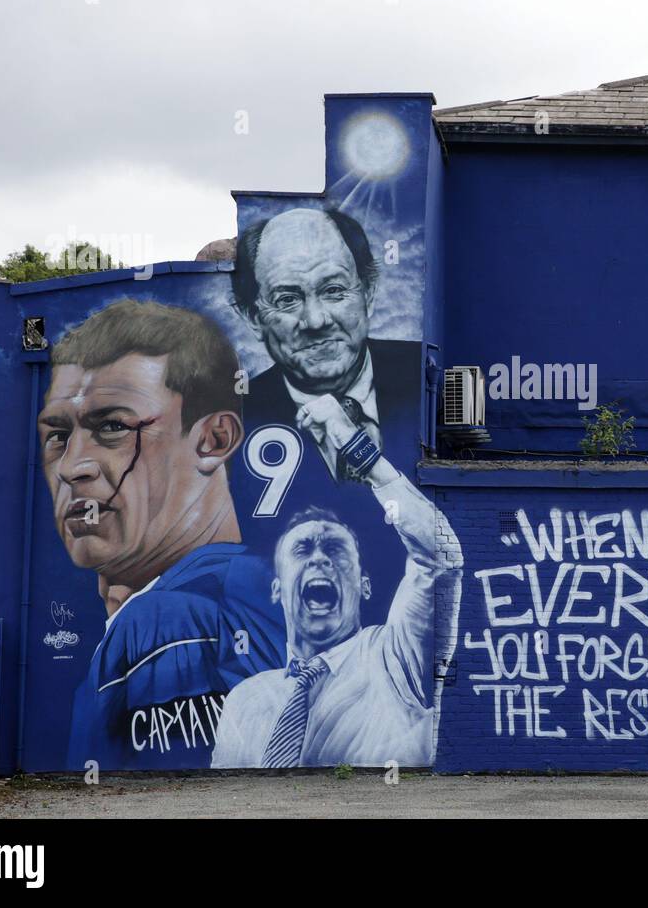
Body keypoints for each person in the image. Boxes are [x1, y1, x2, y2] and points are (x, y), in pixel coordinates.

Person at [38, 299, 285, 770]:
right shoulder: (254, 592)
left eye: (113, 426)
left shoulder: (165, 621)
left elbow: (175, 794)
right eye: (57, 435)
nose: (72, 467)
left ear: (213, 439)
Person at [211, 395, 462, 768]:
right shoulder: (245, 700)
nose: (319, 558)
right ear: (278, 590)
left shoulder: (395, 654)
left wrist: (350, 439)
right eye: (302, 549)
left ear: (364, 586)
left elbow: (442, 556)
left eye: (334, 548)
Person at [231, 206, 421, 482]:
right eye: (287, 299)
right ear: (253, 317)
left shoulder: (426, 379)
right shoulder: (236, 418)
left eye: (333, 290)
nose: (316, 321)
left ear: (368, 294)